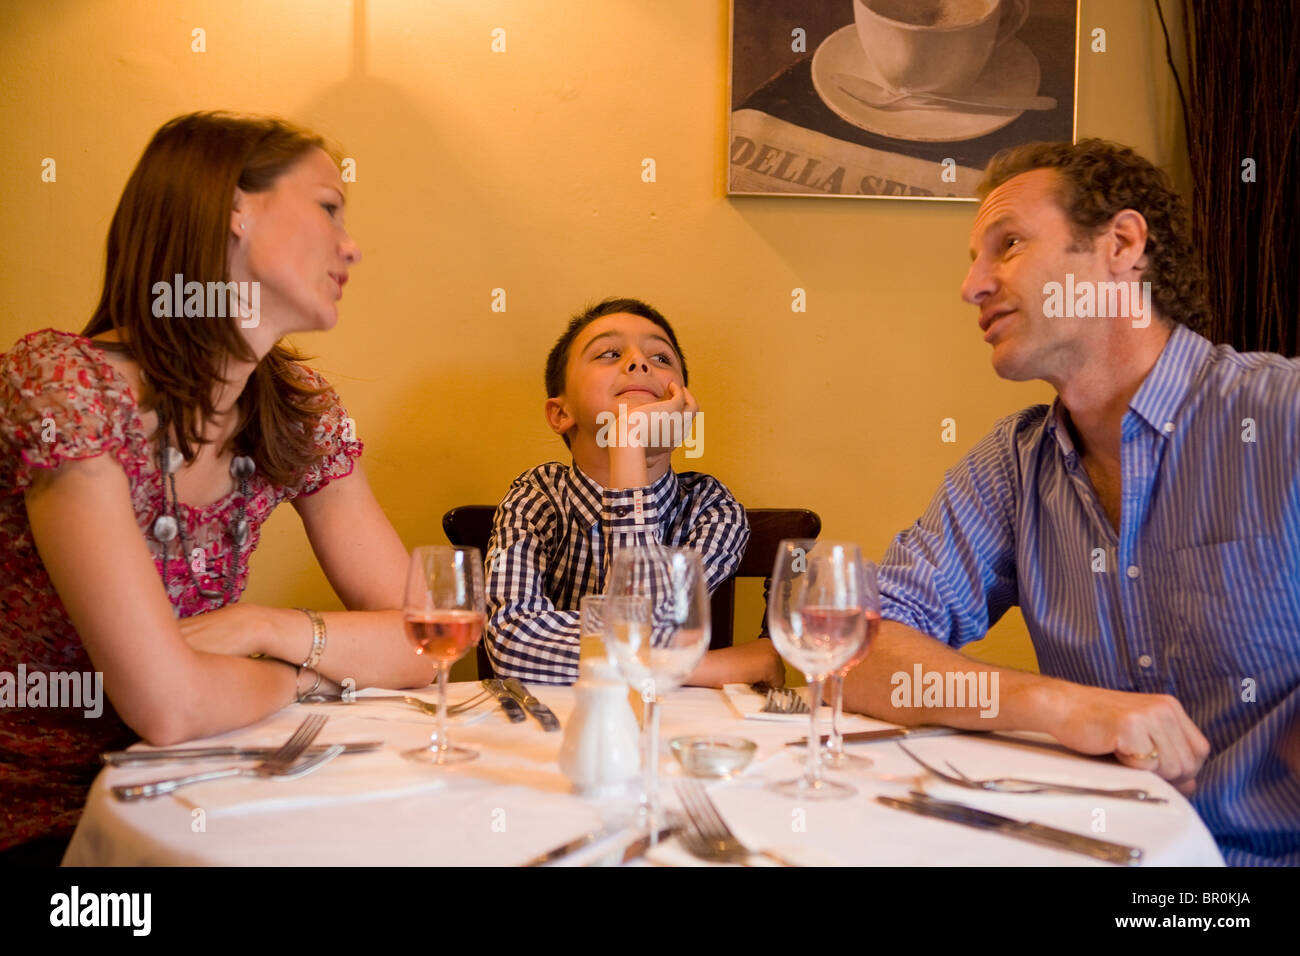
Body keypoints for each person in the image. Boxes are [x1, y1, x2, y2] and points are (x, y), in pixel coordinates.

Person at [842, 139, 1300, 865]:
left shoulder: (1283, 415)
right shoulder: (1013, 467)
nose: (972, 285)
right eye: (974, 257)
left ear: (1120, 245)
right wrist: (1057, 704)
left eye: (1009, 244)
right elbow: (858, 652)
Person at [0, 112, 433, 861]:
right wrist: (307, 678)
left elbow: (426, 640)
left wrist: (264, 627)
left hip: (210, 789)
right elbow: (170, 704)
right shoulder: (65, 387)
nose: (352, 243)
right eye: (328, 207)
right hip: (45, 820)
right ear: (234, 209)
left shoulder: (294, 408)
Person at [484, 297, 785, 687]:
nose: (639, 363)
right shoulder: (535, 496)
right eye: (609, 353)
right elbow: (512, 644)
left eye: (660, 358)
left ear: (683, 408)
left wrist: (627, 441)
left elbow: (649, 625)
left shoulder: (711, 508)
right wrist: (719, 666)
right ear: (561, 413)